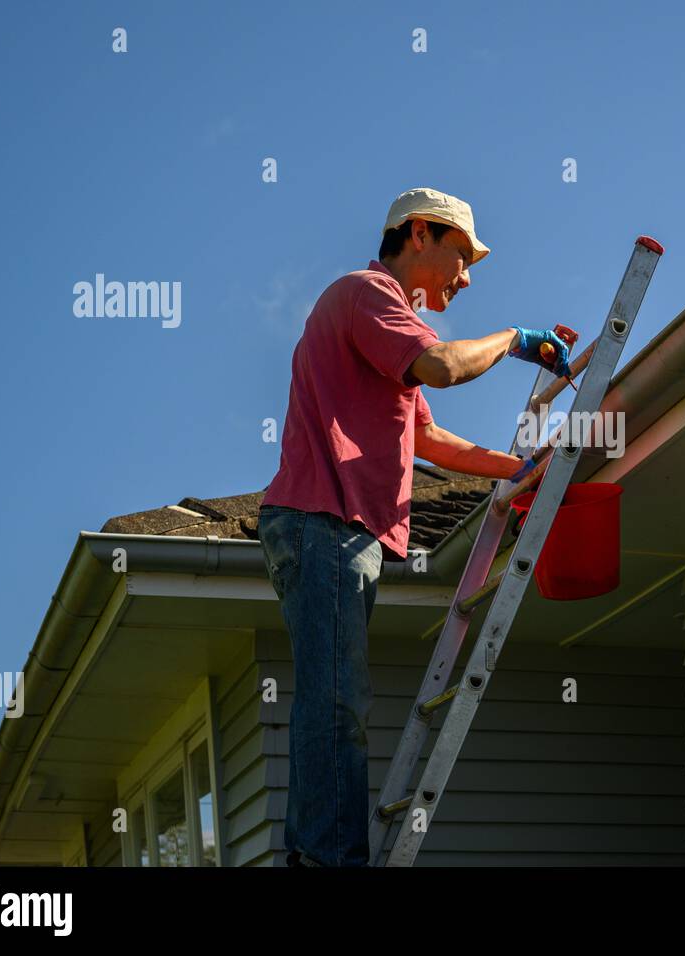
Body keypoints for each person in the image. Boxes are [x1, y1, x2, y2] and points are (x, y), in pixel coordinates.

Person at [257, 187, 570, 867]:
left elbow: (428, 440)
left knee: (335, 700)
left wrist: (519, 469)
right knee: (336, 703)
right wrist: (516, 340)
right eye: (461, 257)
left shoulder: (380, 323)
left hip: (333, 529)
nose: (465, 278)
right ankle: (326, 861)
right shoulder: (368, 295)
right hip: (325, 523)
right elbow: (446, 366)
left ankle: (321, 855)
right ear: (419, 234)